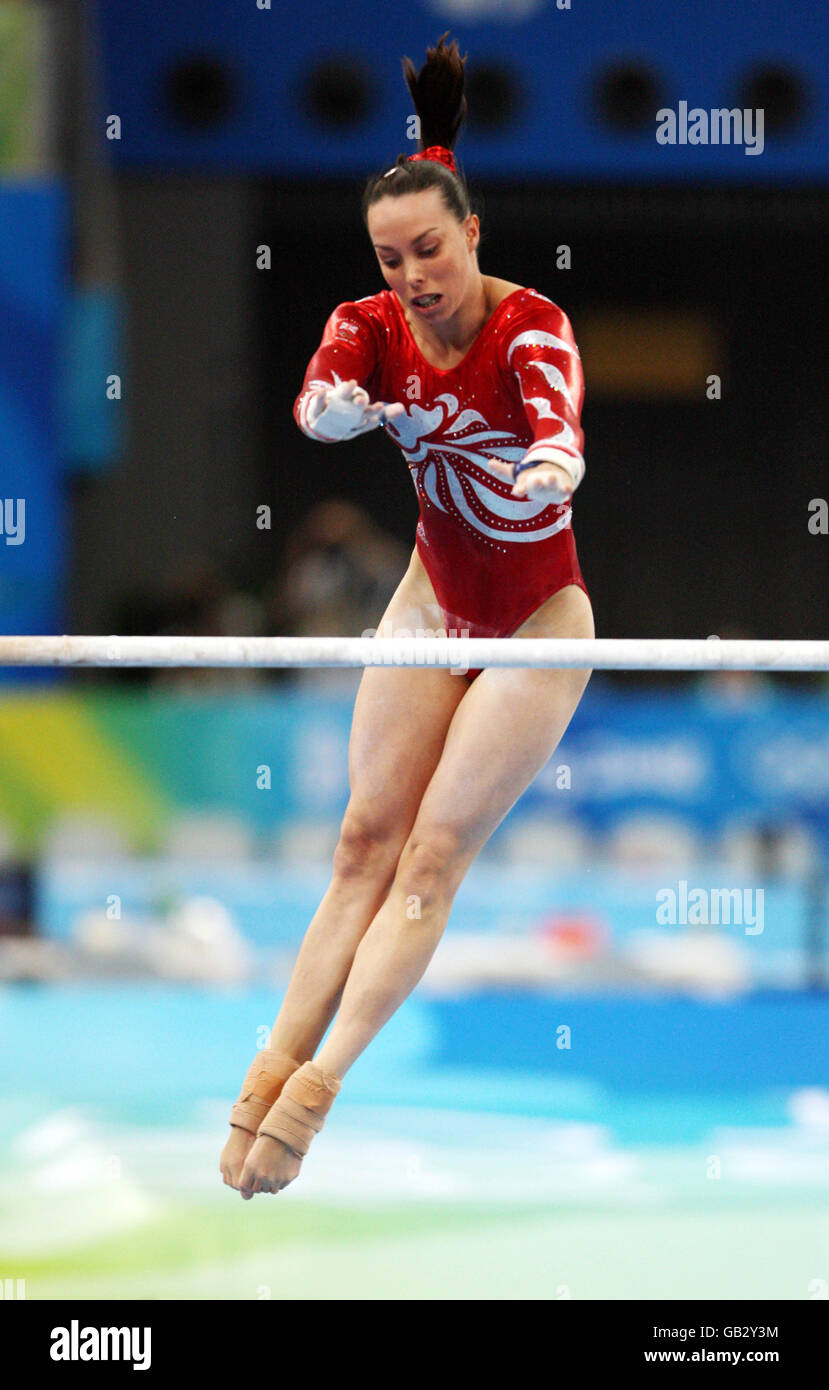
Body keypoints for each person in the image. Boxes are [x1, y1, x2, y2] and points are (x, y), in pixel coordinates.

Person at [220, 32, 595, 1199]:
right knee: (358, 848)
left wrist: (551, 468)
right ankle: (263, 1074)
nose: (411, 276)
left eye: (428, 249)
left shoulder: (526, 325)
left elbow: (558, 421)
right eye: (390, 259)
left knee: (431, 857)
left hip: (539, 615)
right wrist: (330, 411)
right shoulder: (369, 325)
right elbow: (320, 392)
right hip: (432, 599)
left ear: (470, 233)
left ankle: (316, 1092)